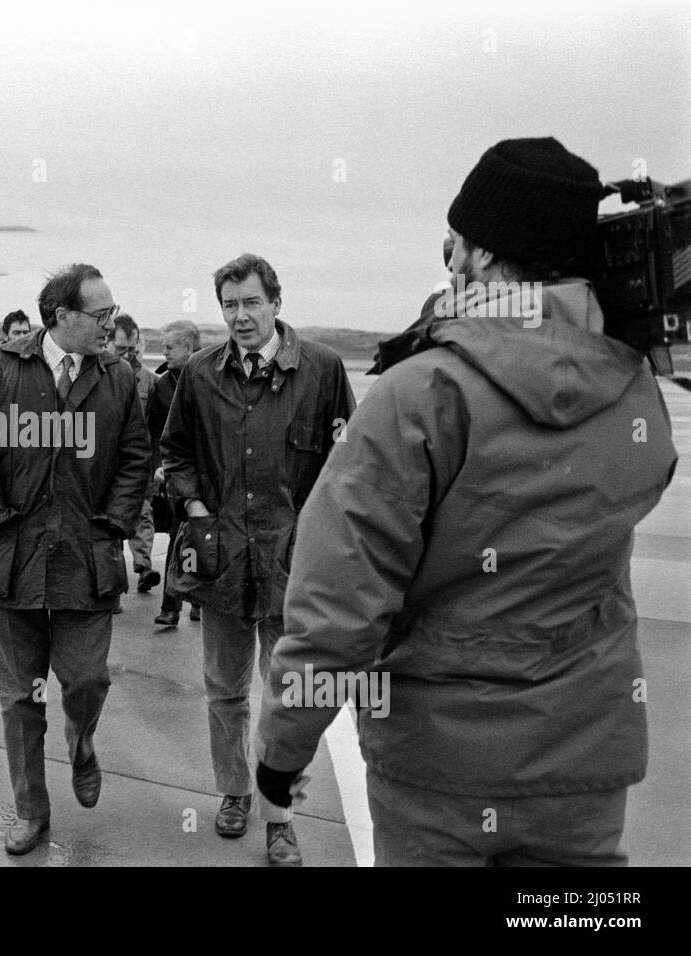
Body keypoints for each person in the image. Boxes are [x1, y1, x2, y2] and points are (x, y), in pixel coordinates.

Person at [254, 137, 679, 867]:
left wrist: (284, 747)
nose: (448, 258)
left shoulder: (420, 393)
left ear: (480, 257)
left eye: (456, 241)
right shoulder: (633, 389)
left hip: (436, 773)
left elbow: (339, 607)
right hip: (582, 760)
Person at [160, 253, 355, 864]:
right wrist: (193, 509)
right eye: (229, 305)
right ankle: (233, 792)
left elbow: (346, 466)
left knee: (285, 694)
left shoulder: (321, 369)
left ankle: (280, 816)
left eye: (250, 303)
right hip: (220, 560)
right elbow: (176, 452)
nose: (240, 316)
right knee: (223, 690)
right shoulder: (198, 373)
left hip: (290, 564)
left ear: (276, 302)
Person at [0, 263, 152, 856]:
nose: (110, 324)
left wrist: (113, 524)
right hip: (13, 560)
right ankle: (30, 811)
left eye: (113, 314)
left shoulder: (118, 377)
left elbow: (136, 459)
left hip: (86, 559)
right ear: (62, 317)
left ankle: (82, 736)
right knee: (20, 698)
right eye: (101, 315)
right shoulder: (0, 367)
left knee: (86, 678)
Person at [145, 320, 202, 627]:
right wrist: (159, 465)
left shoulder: (212, 377)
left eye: (169, 347)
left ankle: (198, 601)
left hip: (210, 475)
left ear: (188, 347)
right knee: (177, 537)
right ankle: (171, 606)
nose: (163, 352)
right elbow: (152, 431)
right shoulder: (161, 386)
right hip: (175, 476)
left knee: (203, 537)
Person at [108, 314, 160, 596]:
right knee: (107, 522)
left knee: (142, 513)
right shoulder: (98, 375)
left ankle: (143, 566)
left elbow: (158, 427)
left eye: (131, 348)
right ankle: (112, 586)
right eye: (120, 349)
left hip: (138, 463)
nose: (128, 355)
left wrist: (156, 466)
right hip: (103, 464)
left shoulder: (149, 381)